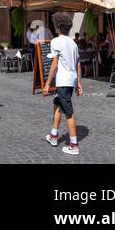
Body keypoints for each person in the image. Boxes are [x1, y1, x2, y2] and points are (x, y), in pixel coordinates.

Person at [43, 13, 83, 156]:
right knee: (58, 105)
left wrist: (47, 83)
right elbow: (78, 64)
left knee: (69, 112)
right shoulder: (73, 43)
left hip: (63, 81)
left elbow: (54, 65)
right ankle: (53, 135)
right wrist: (78, 83)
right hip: (70, 80)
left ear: (57, 26)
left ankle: (74, 145)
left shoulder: (56, 41)